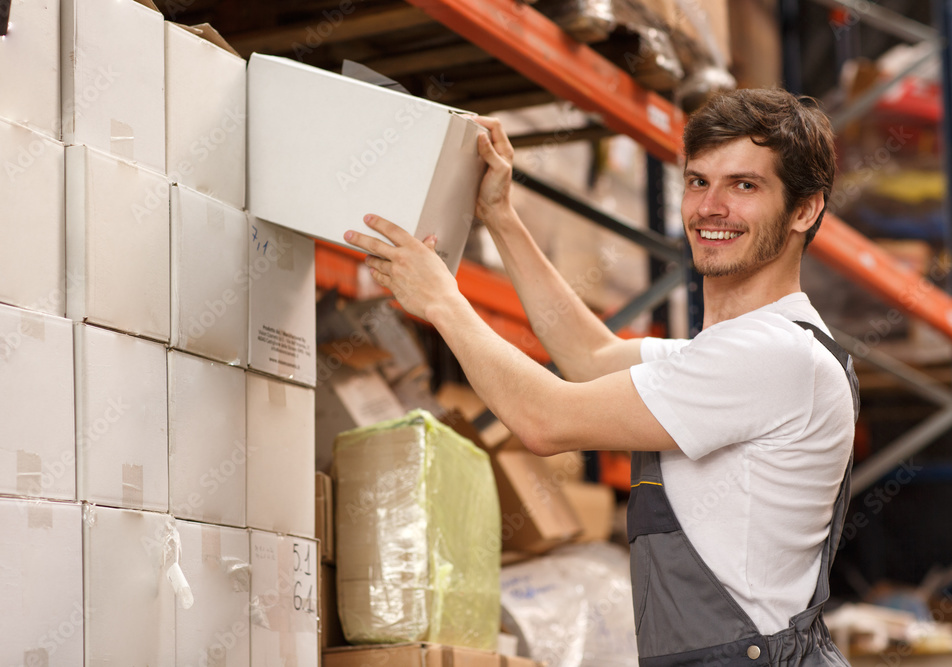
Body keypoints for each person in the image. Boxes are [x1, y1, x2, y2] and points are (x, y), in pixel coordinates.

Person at [344, 88, 859, 666]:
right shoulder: (737, 352)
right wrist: (501, 216)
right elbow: (588, 355)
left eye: (744, 185)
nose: (710, 207)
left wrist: (443, 302)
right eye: (697, 182)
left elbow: (545, 422)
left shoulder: (772, 355)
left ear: (804, 209)